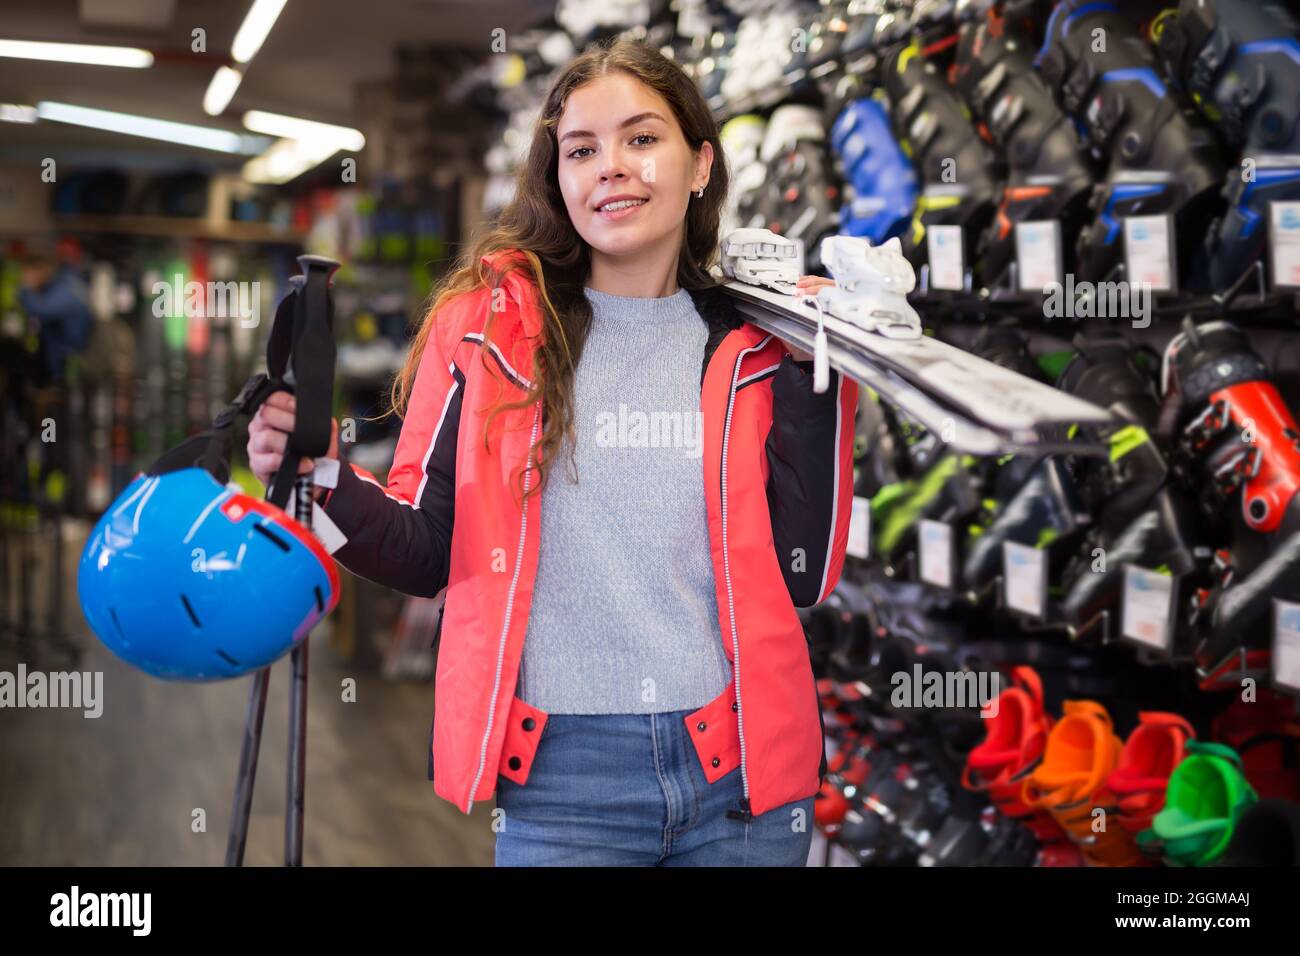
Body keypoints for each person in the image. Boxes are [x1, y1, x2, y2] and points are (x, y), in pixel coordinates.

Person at [248, 39, 858, 866]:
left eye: (643, 139)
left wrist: (822, 377)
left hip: (739, 780)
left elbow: (801, 573)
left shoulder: (757, 341)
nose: (612, 166)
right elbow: (428, 551)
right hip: (567, 788)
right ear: (558, 178)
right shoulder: (489, 328)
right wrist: (316, 476)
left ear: (701, 164)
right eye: (582, 149)